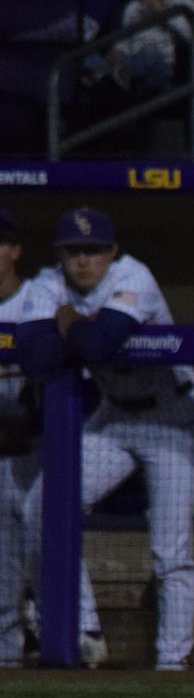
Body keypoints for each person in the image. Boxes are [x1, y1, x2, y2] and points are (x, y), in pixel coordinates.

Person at [13, 207, 194, 671]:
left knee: (171, 549)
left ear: (112, 252)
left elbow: (99, 345)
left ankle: (172, 665)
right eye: (74, 251)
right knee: (40, 508)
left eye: (94, 250)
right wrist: (78, 329)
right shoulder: (46, 283)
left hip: (172, 415)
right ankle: (85, 629)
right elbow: (36, 356)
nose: (84, 261)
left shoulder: (134, 275)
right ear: (61, 255)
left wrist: (65, 324)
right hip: (113, 417)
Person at [0, 210, 53, 668]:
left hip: (40, 445)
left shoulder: (38, 297)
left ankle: (69, 634)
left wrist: (31, 420)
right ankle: (7, 656)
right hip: (0, 447)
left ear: (15, 250)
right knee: (1, 561)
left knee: (44, 539)